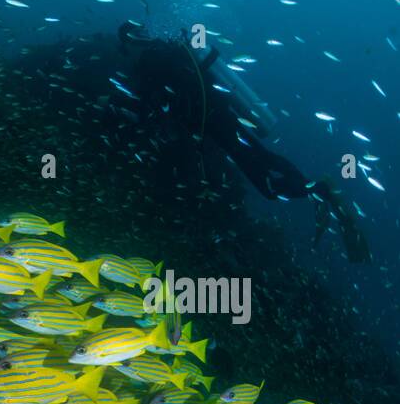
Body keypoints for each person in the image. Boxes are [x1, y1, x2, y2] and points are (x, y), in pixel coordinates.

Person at [117, 21, 370, 263]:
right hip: (226, 116)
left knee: (268, 188)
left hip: (218, 127)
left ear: (129, 41)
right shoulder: (172, 49)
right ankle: (315, 186)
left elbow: (152, 108)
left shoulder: (151, 62)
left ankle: (316, 189)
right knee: (266, 156)